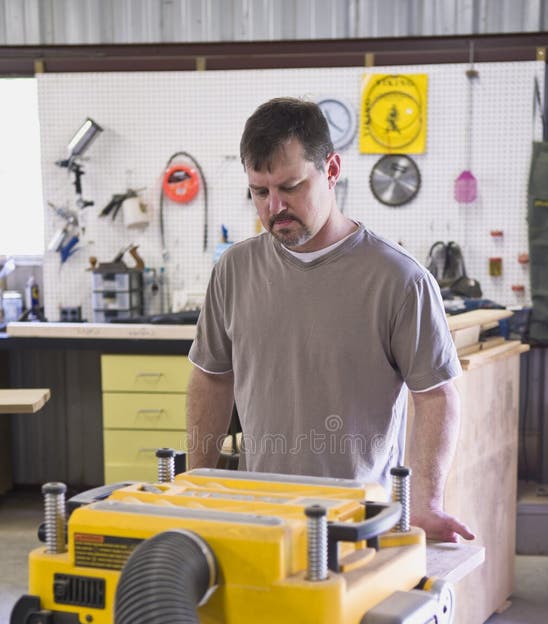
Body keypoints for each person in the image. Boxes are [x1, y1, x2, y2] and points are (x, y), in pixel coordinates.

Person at [187, 97, 474, 543]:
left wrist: (426, 502)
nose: (274, 207)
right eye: (260, 192)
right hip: (259, 516)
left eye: (291, 186)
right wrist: (197, 485)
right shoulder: (234, 270)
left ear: (332, 169)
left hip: (359, 522)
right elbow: (212, 379)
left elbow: (437, 397)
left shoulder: (399, 280)